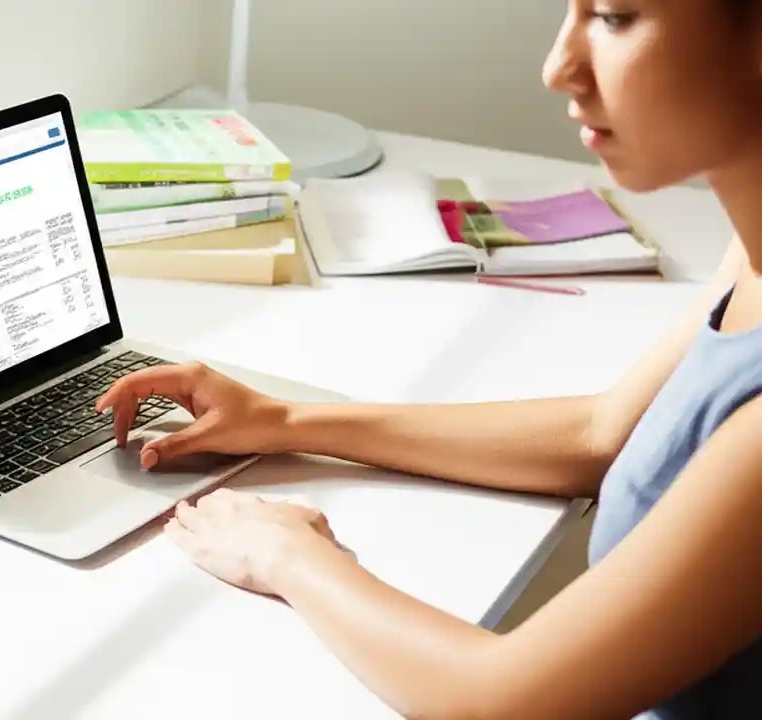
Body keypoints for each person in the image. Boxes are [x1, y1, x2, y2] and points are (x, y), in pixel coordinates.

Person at [95, 2, 762, 717]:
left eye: (613, 17)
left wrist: (289, 554)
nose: (556, 67)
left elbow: (501, 700)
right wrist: (283, 418)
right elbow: (605, 435)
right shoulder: (749, 255)